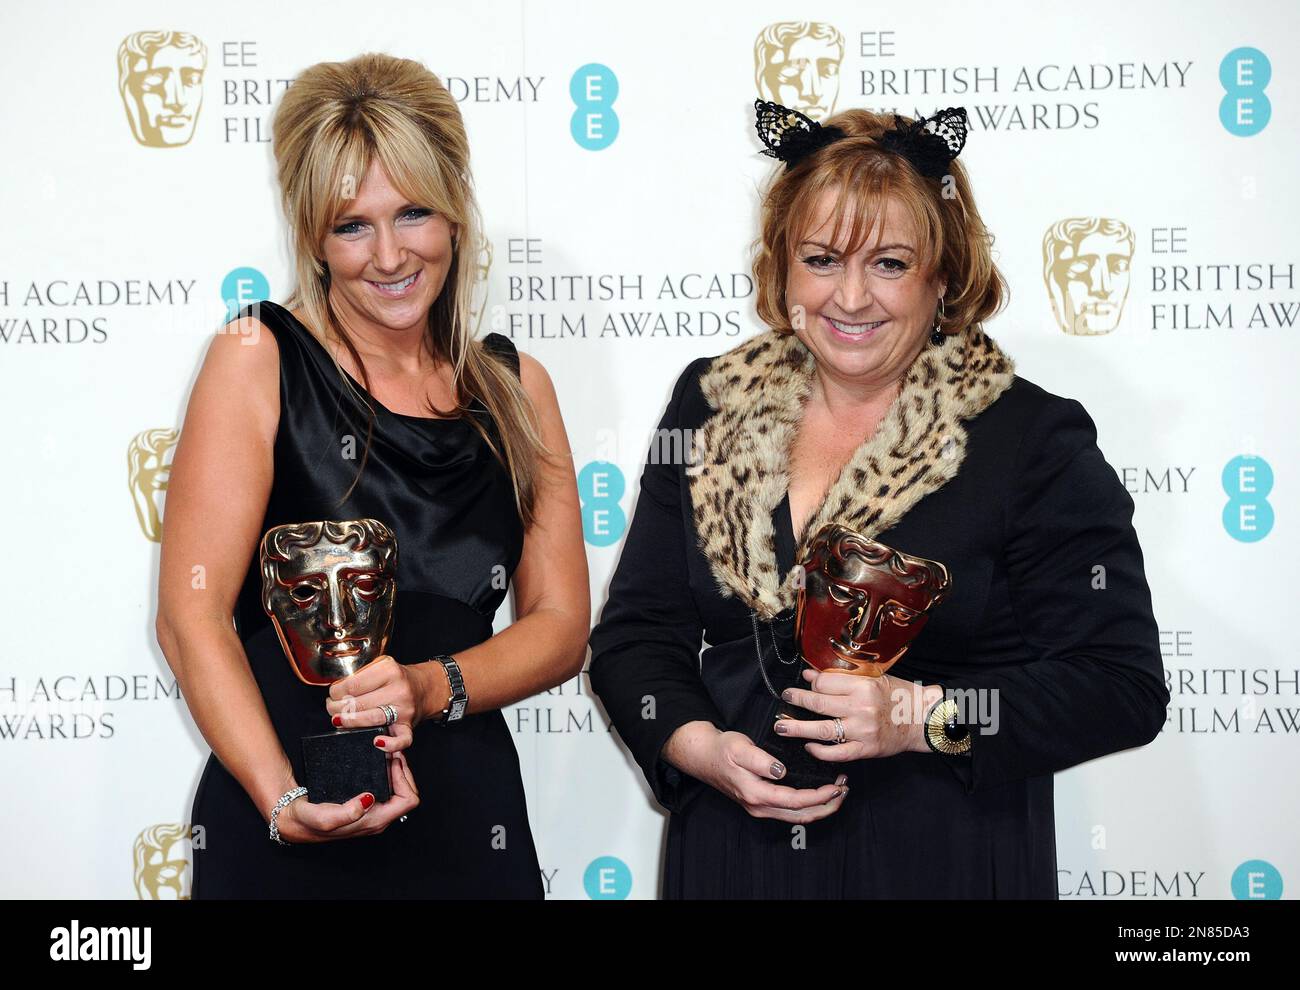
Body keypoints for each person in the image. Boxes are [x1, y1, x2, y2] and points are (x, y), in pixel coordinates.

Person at [587, 101, 1169, 899]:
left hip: (940, 863)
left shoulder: (1028, 438)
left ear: (944, 276)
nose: (851, 298)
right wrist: (696, 748)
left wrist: (921, 720)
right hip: (732, 855)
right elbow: (636, 636)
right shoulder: (711, 404)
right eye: (822, 259)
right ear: (782, 268)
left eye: (890, 264)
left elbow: (1118, 686)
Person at [155, 53, 589, 898]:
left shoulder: (517, 388)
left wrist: (433, 686)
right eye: (352, 225)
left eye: (414, 213)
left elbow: (563, 625)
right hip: (288, 800)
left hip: (466, 813)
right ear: (314, 236)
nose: (389, 255)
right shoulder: (259, 358)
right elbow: (189, 616)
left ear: (456, 213)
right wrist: (281, 799)